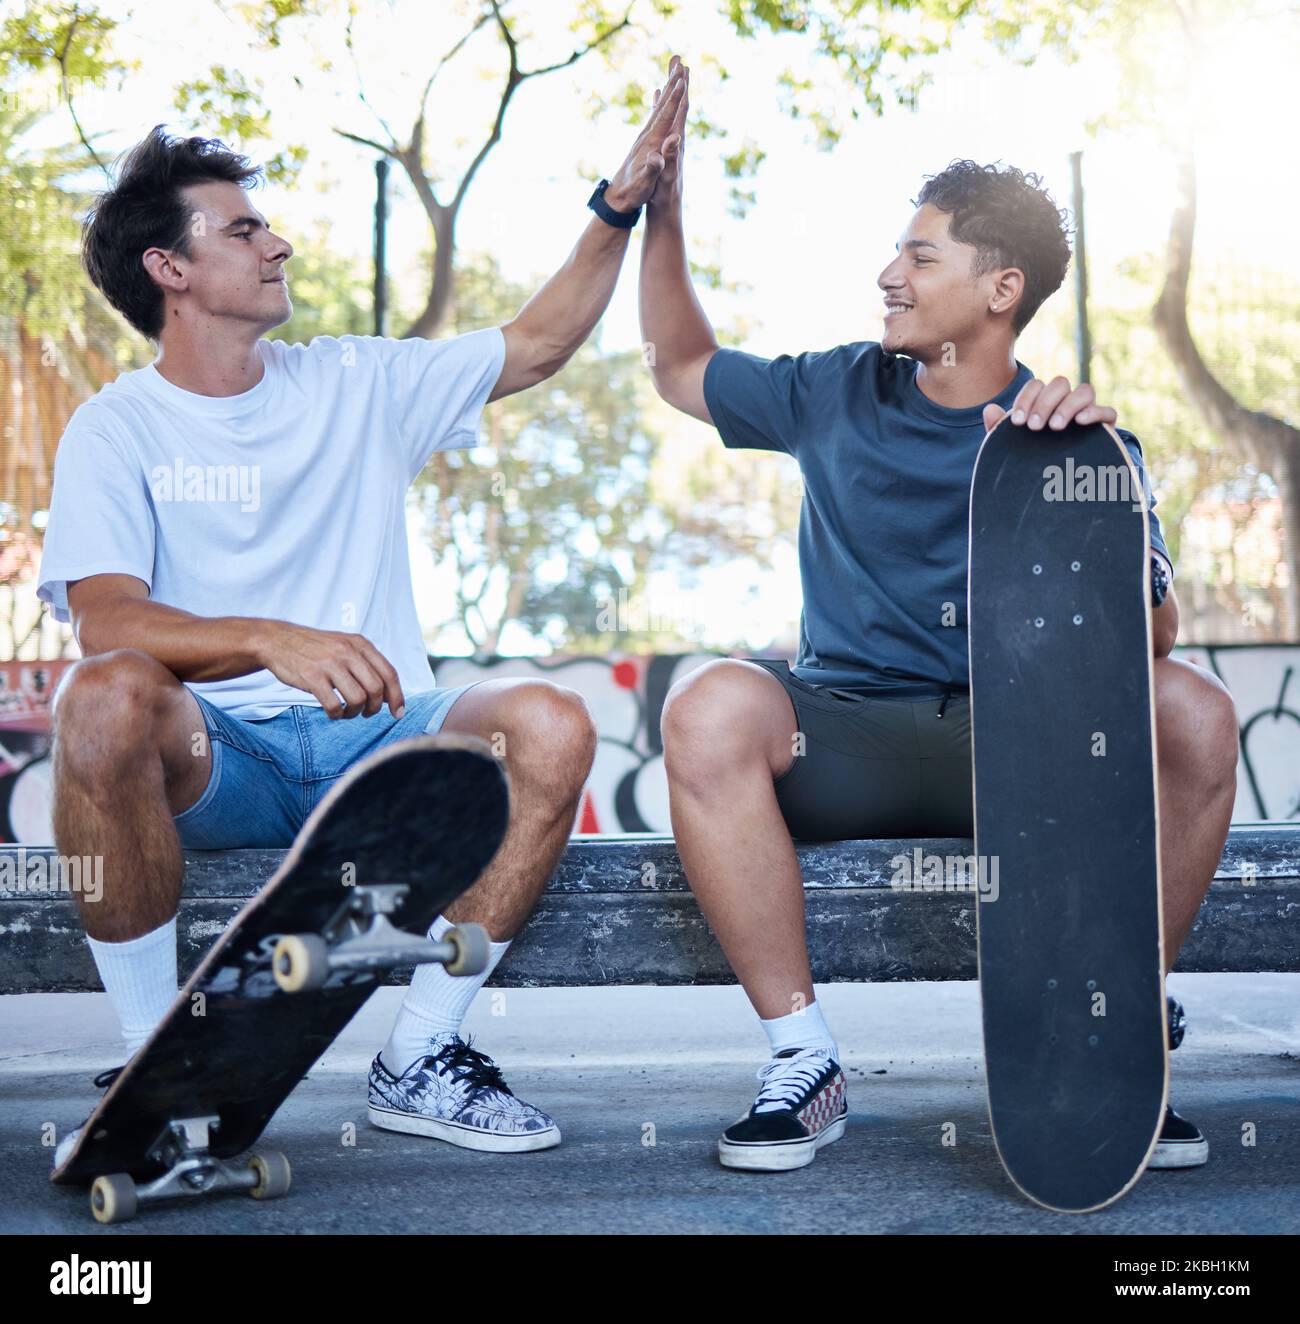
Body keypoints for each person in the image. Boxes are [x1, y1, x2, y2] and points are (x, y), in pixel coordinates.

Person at [38, 59, 686, 1161]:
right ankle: (164, 1063)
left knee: (548, 720)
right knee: (100, 698)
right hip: (219, 759)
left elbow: (536, 343)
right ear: (170, 268)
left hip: (374, 749)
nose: (276, 243)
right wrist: (266, 640)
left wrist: (617, 203)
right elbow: (107, 621)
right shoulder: (118, 427)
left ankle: (425, 1054)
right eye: (243, 231)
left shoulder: (354, 380)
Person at [639, 60, 1239, 1172]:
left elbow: (1148, 647)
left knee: (1196, 712)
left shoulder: (1078, 436)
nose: (890, 274)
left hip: (1015, 749)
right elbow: (680, 366)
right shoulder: (832, 389)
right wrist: (658, 216)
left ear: (999, 290)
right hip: (843, 735)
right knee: (709, 702)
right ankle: (801, 1059)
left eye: (920, 256)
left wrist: (1093, 486)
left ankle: (1109, 1029)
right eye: (896, 252)